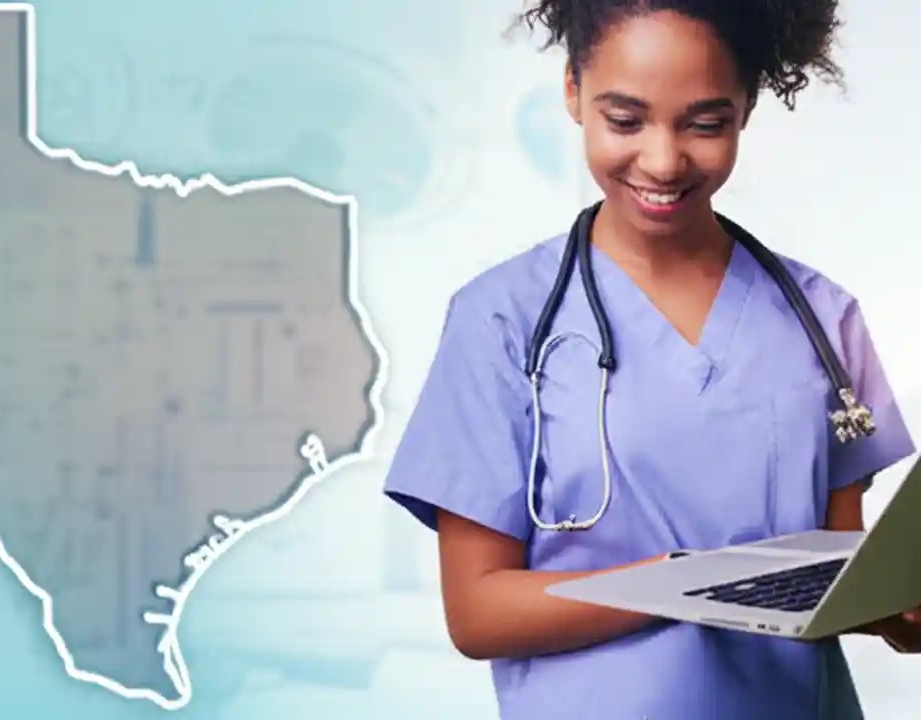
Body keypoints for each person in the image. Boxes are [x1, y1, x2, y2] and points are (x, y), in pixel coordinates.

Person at [383, 1, 921, 718]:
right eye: (626, 120)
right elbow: (478, 614)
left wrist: (897, 611)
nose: (663, 161)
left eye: (705, 123)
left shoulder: (821, 317)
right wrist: (684, 583)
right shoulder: (502, 320)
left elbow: (841, 577)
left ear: (747, 108)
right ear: (572, 90)